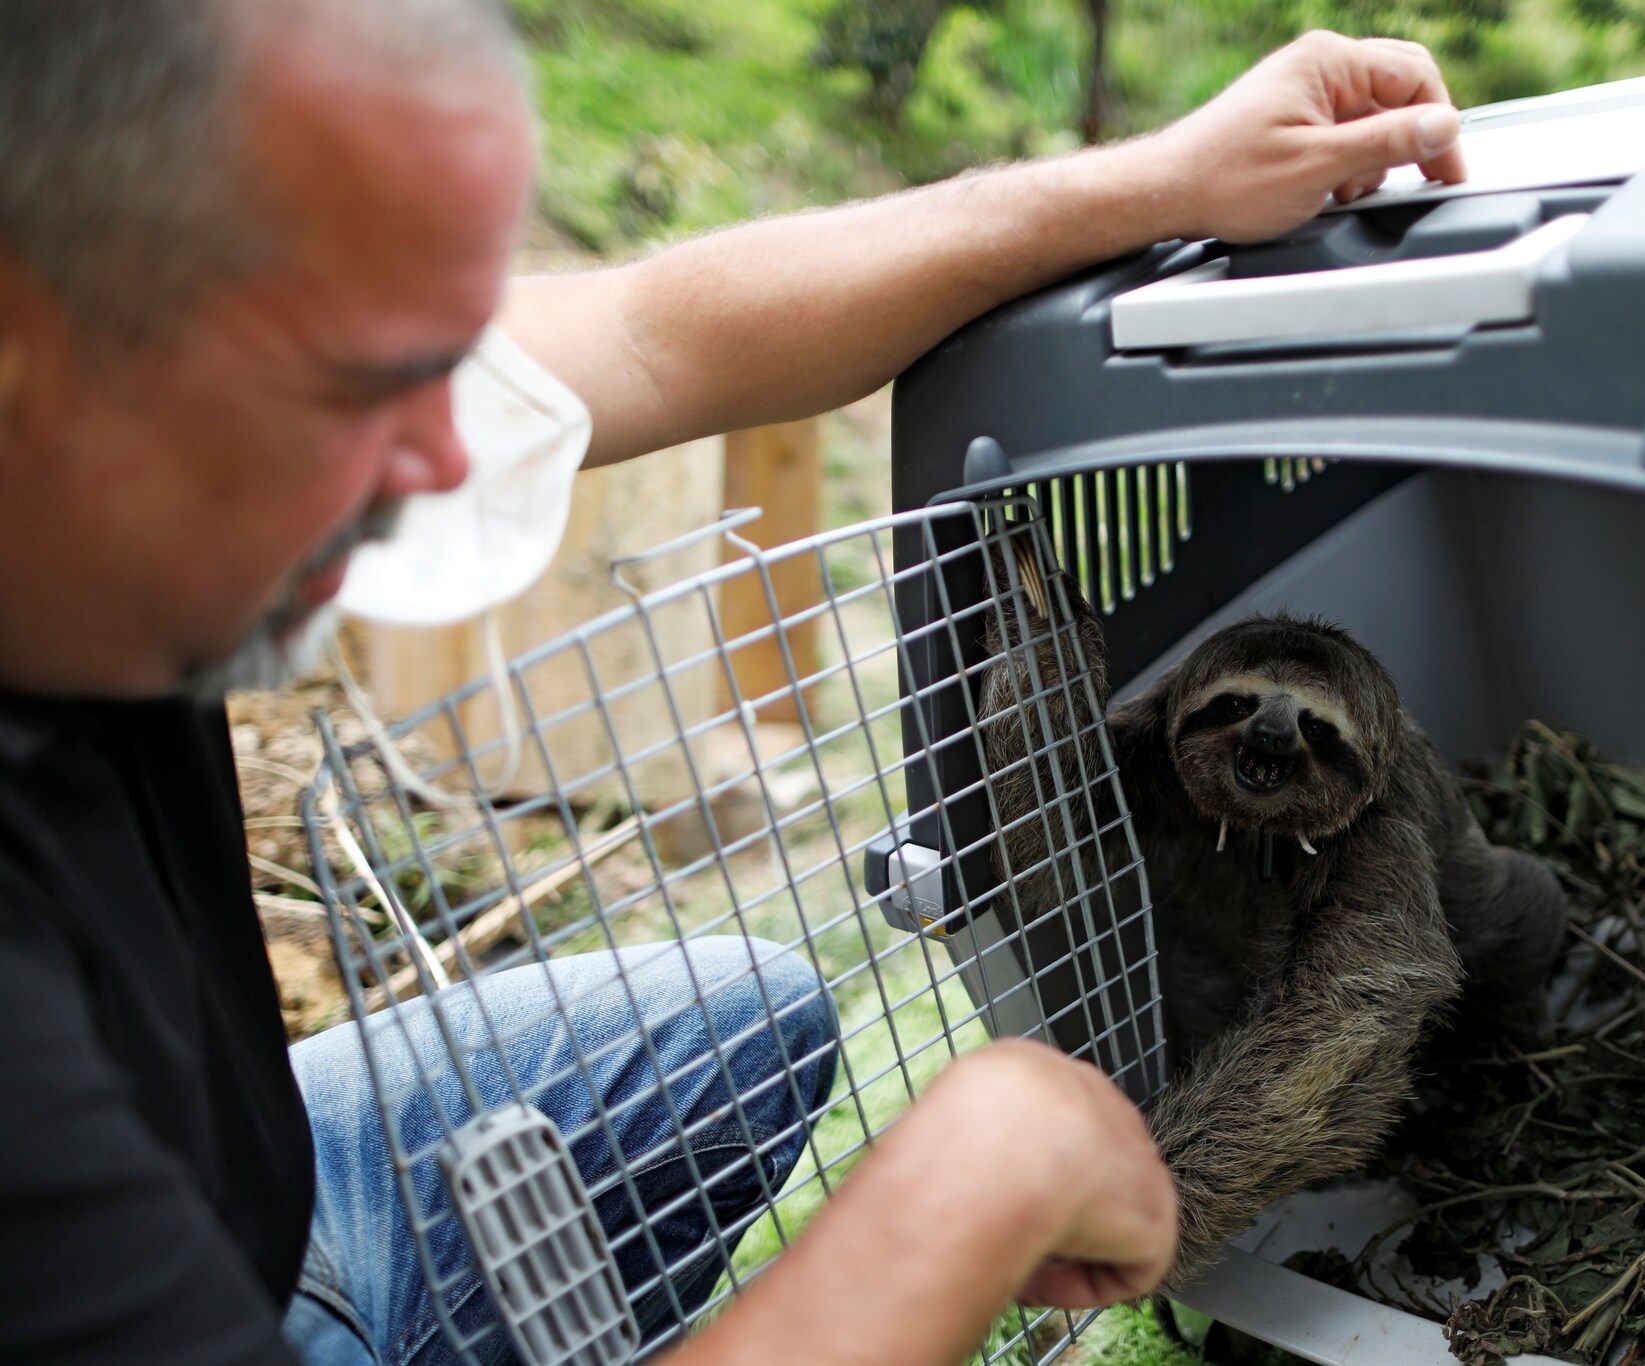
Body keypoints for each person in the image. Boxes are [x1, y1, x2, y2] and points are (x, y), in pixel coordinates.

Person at [0, 2, 1469, 1363]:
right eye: (361, 385)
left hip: (262, 1168)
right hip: (188, 1256)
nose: (444, 457)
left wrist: (1161, 179)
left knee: (747, 1016)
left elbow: (653, 331)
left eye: (438, 366)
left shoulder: (110, 394)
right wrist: (970, 1185)